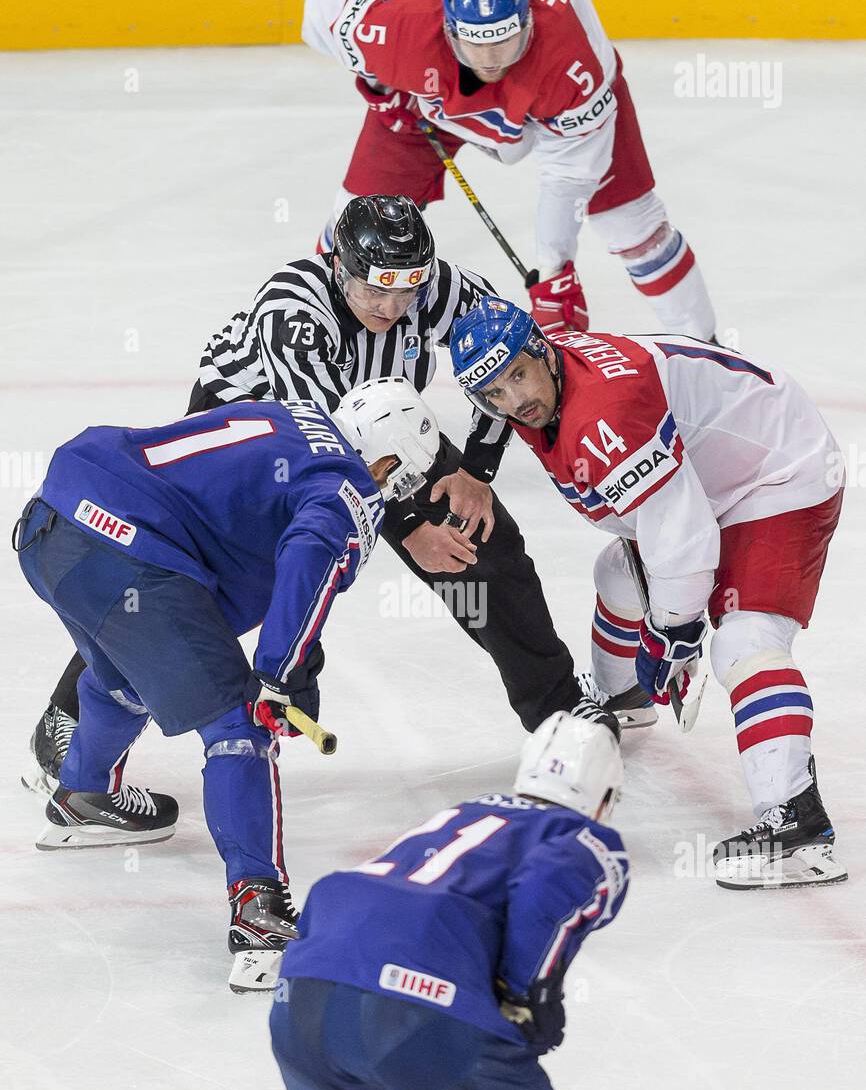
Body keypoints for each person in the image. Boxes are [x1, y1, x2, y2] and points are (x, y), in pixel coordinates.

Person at [24, 195, 588, 797]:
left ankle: (559, 710)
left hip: (379, 420)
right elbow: (328, 458)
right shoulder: (292, 309)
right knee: (185, 587)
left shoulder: (442, 290)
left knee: (487, 547)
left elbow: (500, 356)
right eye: (376, 291)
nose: (393, 309)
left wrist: (478, 470)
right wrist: (414, 530)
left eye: (406, 293)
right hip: (255, 438)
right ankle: (72, 715)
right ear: (340, 267)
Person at [15, 379, 439, 991]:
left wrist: (295, 669)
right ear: (389, 461)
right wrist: (278, 677)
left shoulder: (291, 416)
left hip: (55, 521)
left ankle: (84, 793)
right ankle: (259, 912)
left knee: (124, 677)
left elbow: (253, 527)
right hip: (128, 550)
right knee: (241, 726)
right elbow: (310, 559)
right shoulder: (348, 486)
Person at [449, 297, 846, 890]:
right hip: (724, 466)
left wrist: (675, 634)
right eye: (495, 395)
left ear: (542, 353)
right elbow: (662, 526)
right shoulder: (548, 387)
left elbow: (683, 540)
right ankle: (626, 697)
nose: (515, 402)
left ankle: (798, 828)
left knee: (743, 640)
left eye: (518, 377)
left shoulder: (604, 416)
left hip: (780, 471)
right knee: (621, 574)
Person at [248, 708, 627, 1090]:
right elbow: (547, 890)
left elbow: (380, 920)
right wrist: (530, 1004)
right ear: (605, 794)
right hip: (420, 1012)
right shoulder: (586, 839)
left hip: (308, 990)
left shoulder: (462, 814)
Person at [303, 0, 716, 338]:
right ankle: (324, 347)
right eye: (476, 45)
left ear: (528, 22)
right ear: (448, 28)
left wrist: (554, 269)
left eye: (503, 43)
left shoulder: (570, 62)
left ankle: (707, 352)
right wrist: (380, 79)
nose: (490, 61)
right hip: (425, 103)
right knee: (352, 232)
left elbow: (567, 178)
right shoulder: (399, 29)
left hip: (563, 109)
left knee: (637, 230)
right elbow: (319, 8)